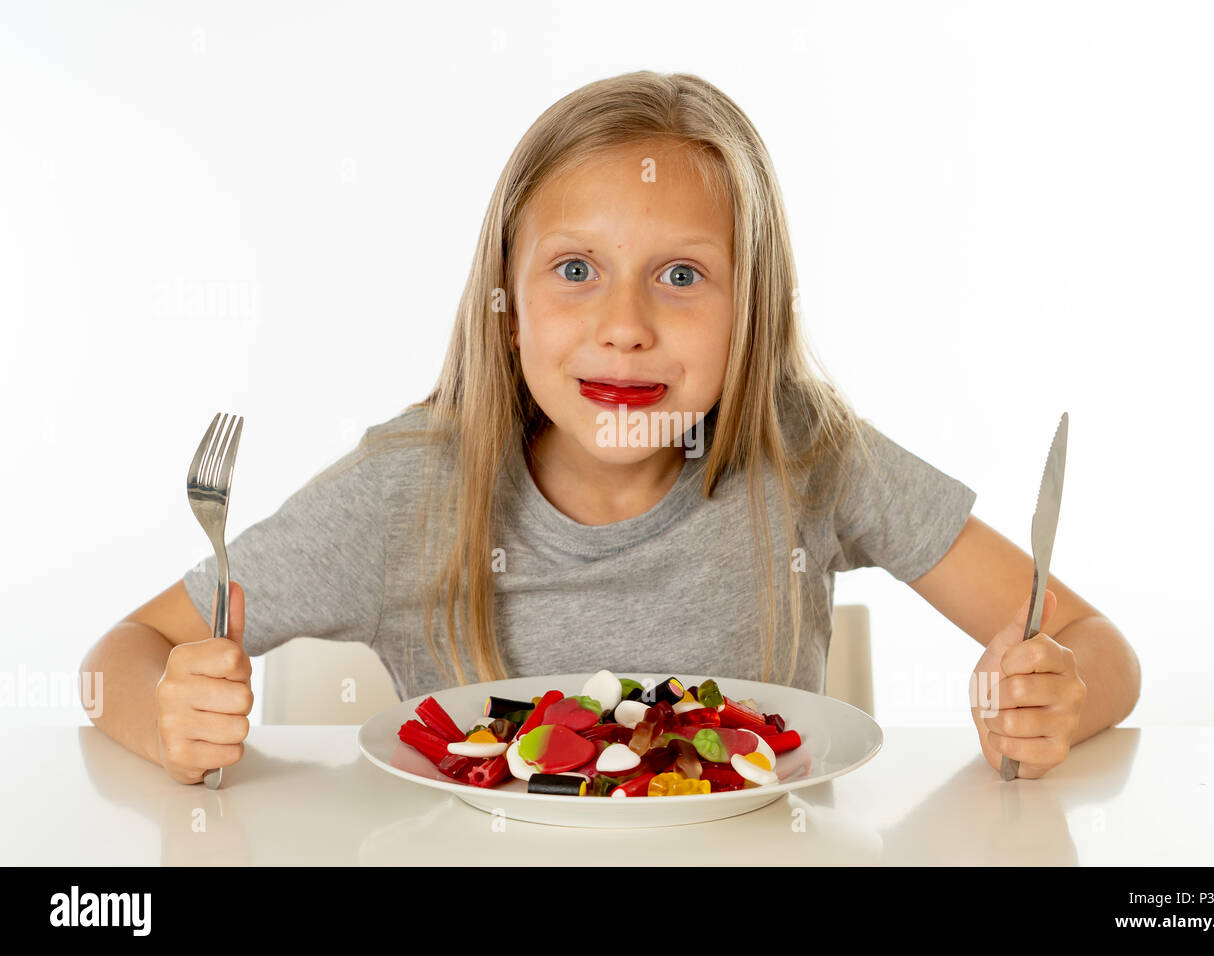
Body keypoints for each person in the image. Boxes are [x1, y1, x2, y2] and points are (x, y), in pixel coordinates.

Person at [81, 70, 1140, 786]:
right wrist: (166, 716)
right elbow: (121, 655)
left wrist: (1059, 696)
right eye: (575, 270)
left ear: (752, 309)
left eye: (681, 275)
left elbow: (1096, 646)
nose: (624, 327)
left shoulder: (802, 449)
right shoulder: (411, 490)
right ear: (507, 298)